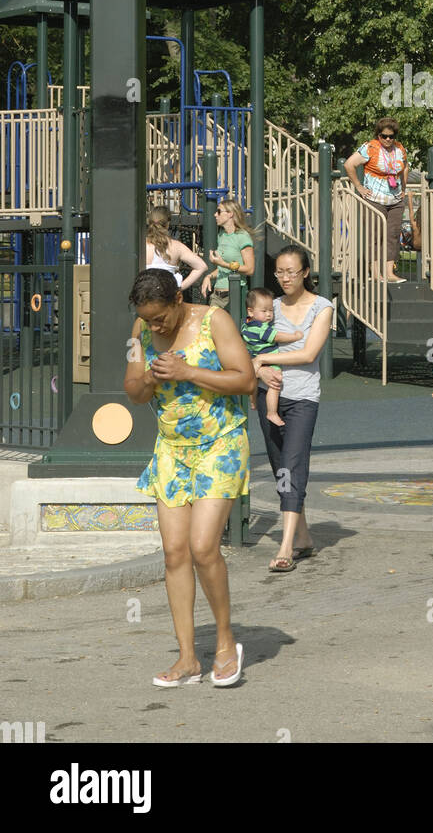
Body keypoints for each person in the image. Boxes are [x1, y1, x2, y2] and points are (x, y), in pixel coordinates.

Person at [124, 268, 255, 688]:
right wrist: (149, 376)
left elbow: (244, 379)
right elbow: (132, 390)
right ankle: (187, 658)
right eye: (148, 319)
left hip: (220, 444)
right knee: (174, 552)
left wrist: (188, 373)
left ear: (178, 301)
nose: (154, 326)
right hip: (171, 450)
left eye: (160, 317)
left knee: (202, 547)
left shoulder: (215, 320)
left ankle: (223, 641)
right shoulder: (140, 329)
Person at [252, 243, 333, 574]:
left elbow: (309, 353)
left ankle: (285, 548)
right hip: (267, 395)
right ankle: (303, 538)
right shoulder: (268, 307)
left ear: (305, 273)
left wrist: (265, 358)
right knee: (279, 467)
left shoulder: (322, 307)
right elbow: (250, 349)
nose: (284, 278)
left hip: (302, 398)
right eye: (279, 272)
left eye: (291, 272)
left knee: (292, 464)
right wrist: (258, 367)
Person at [344, 117, 412, 282]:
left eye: (391, 136)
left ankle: (389, 273)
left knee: (393, 235)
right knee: (375, 235)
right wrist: (359, 187)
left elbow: (405, 166)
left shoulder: (399, 148)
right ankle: (375, 273)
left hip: (395, 199)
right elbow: (349, 165)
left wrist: (403, 188)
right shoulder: (370, 147)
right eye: (384, 136)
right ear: (378, 135)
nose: (388, 139)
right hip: (374, 198)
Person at [241, 287, 303, 427]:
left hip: (254, 357)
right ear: (250, 311)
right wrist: (294, 336)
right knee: (275, 384)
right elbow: (277, 336)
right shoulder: (262, 328)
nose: (269, 315)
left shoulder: (246, 325)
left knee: (254, 382)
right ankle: (272, 412)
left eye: (271, 310)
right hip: (269, 360)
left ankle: (252, 400)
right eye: (264, 311)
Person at [201, 198, 256, 308]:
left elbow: (250, 269)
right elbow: (223, 269)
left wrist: (223, 264)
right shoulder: (221, 235)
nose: (215, 214)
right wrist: (209, 276)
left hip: (234, 295)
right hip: (217, 295)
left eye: (219, 211)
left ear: (230, 214)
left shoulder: (242, 236)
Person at [145, 204, 207, 293]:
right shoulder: (176, 246)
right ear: (168, 223)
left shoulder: (142, 245)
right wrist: (179, 288)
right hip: (168, 295)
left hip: (146, 294)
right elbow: (202, 266)